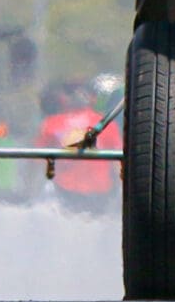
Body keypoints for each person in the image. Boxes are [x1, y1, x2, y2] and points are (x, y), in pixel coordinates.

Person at [36, 79, 118, 207]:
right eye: (72, 91)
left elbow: (38, 160)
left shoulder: (52, 123)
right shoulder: (105, 124)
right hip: (74, 189)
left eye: (82, 91)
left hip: (86, 190)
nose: (78, 95)